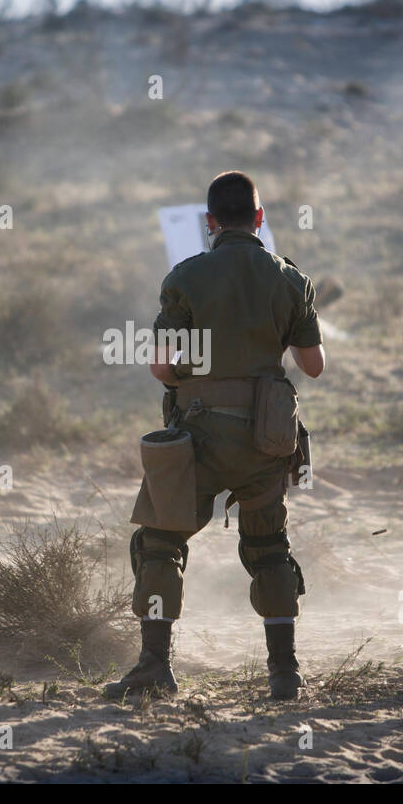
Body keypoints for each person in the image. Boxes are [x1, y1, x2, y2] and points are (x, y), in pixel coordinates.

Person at [107, 171, 325, 701]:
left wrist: (196, 376)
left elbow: (161, 367)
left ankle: (155, 666)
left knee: (159, 541)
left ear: (209, 223)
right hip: (268, 441)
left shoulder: (186, 276)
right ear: (259, 218)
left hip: (199, 436)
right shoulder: (291, 279)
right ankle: (284, 672)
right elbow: (313, 367)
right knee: (269, 546)